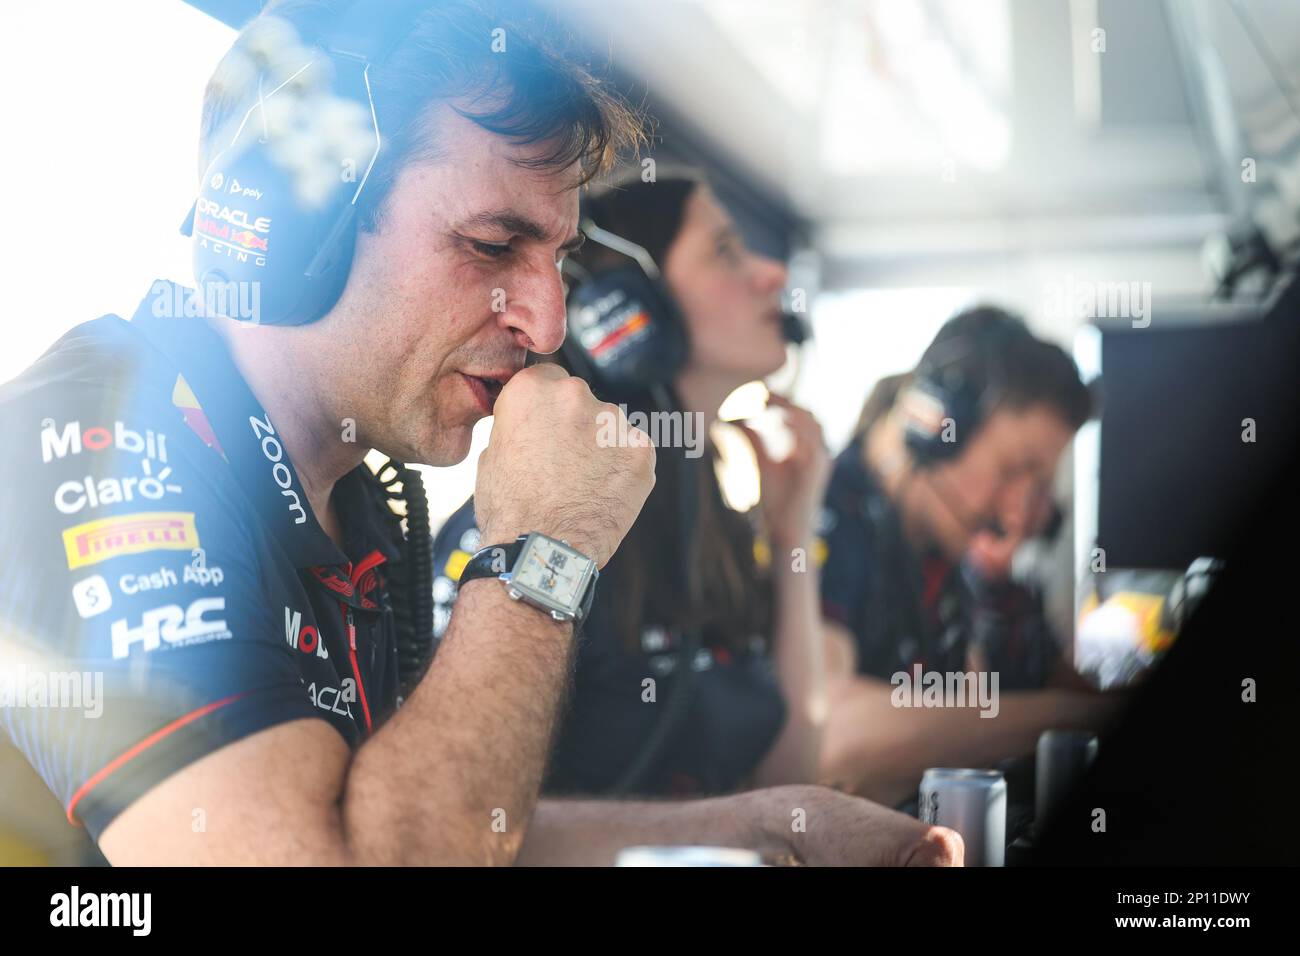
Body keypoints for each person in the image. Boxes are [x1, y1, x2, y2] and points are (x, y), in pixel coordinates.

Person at [0, 0, 960, 866]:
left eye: (558, 258)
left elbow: (429, 825)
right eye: (493, 246)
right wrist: (544, 551)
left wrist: (761, 826)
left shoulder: (357, 504)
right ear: (295, 222)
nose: (546, 324)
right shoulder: (88, 438)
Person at [432, 172, 831, 797]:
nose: (773, 275)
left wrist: (792, 539)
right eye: (725, 252)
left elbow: (791, 776)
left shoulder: (715, 518)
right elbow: (459, 817)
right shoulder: (530, 526)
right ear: (628, 307)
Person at [817, 306, 1123, 806]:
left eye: (1037, 485)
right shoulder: (826, 516)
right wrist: (1074, 714)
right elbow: (832, 733)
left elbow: (967, 721)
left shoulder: (942, 557)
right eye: (1011, 469)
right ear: (935, 421)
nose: (1017, 513)